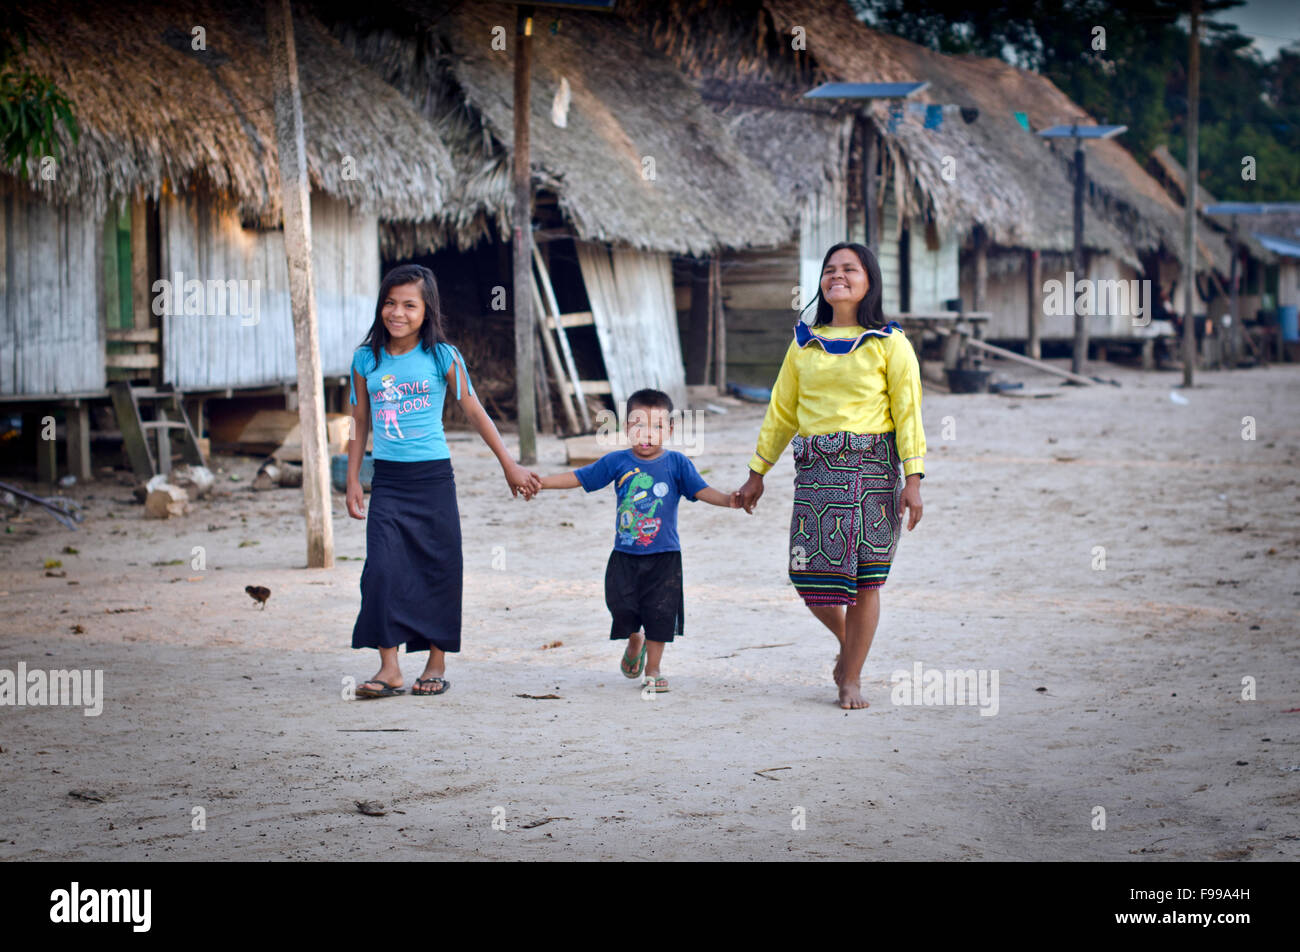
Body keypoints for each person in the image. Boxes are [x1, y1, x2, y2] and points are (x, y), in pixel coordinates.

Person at [734, 242, 925, 710]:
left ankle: (851, 678)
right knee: (809, 579)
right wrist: (757, 471)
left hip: (874, 475)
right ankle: (849, 648)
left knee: (866, 583)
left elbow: (908, 412)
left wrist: (914, 477)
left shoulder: (890, 342)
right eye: (830, 270)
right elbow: (782, 412)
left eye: (849, 269)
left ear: (868, 280)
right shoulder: (804, 344)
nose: (837, 276)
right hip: (817, 474)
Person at [347, 264, 541, 698]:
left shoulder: (443, 357)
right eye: (390, 302)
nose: (397, 312)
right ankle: (390, 668)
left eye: (409, 305)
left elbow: (474, 410)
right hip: (389, 482)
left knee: (440, 567)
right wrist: (354, 479)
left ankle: (435, 662)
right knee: (381, 569)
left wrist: (509, 464)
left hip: (433, 478)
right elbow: (358, 422)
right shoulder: (366, 359)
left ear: (426, 309)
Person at [531, 389, 739, 692]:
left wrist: (729, 500)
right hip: (625, 556)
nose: (647, 434)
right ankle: (634, 641)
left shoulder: (678, 464)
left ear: (668, 431)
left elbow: (702, 490)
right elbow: (579, 477)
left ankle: (653, 670)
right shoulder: (616, 461)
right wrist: (540, 483)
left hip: (665, 556)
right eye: (639, 425)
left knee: (660, 614)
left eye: (657, 427)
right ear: (627, 428)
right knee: (622, 608)